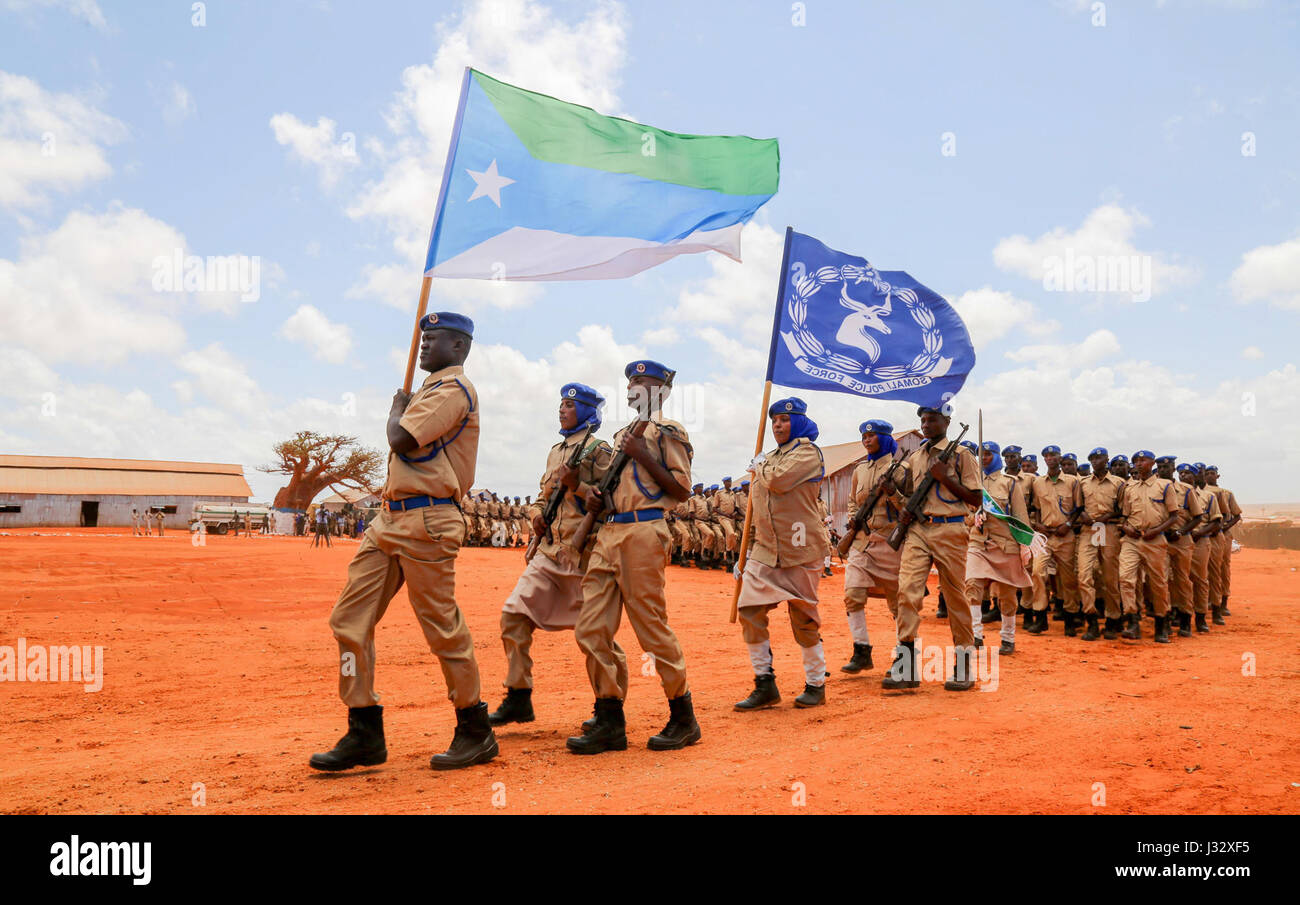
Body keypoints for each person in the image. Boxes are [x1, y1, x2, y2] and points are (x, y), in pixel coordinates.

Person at [310, 310, 495, 772]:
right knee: (348, 620)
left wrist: (397, 407)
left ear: (459, 348)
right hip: (389, 519)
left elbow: (403, 439)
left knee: (440, 627)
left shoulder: (454, 390)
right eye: (423, 338)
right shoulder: (431, 391)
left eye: (434, 339)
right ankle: (363, 729)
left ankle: (475, 728)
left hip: (429, 521)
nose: (424, 346)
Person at [568, 359, 699, 755]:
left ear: (661, 389)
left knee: (651, 628)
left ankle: (683, 716)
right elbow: (610, 489)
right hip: (609, 531)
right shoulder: (623, 433)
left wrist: (643, 454)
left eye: (641, 380)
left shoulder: (666, 432)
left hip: (644, 531)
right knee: (591, 628)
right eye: (630, 380)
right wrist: (590, 493)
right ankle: (609, 718)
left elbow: (680, 490)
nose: (632, 384)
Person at [489, 383, 616, 726]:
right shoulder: (556, 451)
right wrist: (535, 515)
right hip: (549, 552)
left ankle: (609, 709)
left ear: (588, 412)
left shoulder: (599, 450)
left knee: (595, 637)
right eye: (560, 405)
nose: (562, 410)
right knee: (514, 615)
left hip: (583, 555)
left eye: (569, 406)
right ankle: (518, 696)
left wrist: (576, 486)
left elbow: (609, 502)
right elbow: (543, 495)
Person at [733, 397, 830, 710]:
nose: (777, 425)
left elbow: (777, 481)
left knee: (803, 619)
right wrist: (743, 555)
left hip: (801, 549)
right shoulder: (769, 457)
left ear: (799, 422)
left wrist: (759, 464)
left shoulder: (807, 453)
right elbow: (757, 510)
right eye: (774, 420)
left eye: (784, 420)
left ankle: (816, 684)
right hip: (766, 550)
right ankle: (765, 684)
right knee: (748, 609)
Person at [885, 406, 982, 692]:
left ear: (947, 421)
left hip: (950, 529)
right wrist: (894, 493)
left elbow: (976, 499)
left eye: (932, 419)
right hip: (918, 530)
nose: (926, 424)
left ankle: (963, 665)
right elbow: (911, 494)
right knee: (907, 592)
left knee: (955, 598)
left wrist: (945, 477)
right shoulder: (916, 457)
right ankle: (906, 665)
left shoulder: (963, 455)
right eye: (923, 420)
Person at [838, 419, 902, 673]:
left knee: (899, 604)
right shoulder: (859, 470)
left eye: (872, 436)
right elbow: (853, 501)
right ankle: (861, 650)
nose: (866, 440)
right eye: (864, 437)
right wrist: (855, 519)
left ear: (885, 439)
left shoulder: (900, 469)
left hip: (891, 543)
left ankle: (902, 656)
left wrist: (893, 492)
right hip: (862, 542)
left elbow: (909, 507)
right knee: (852, 595)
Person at [965, 441, 1032, 655]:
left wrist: (1025, 546)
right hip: (979, 541)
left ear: (996, 456)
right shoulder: (973, 482)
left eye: (988, 454)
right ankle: (975, 635)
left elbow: (1021, 515)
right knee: (972, 584)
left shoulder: (1010, 484)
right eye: (980, 455)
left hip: (1006, 543)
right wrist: (973, 517)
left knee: (1007, 595)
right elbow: (964, 513)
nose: (983, 458)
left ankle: (1008, 637)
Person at [1116, 450, 1179, 642]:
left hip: (1155, 539)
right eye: (1136, 461)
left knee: (1158, 583)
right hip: (1132, 540)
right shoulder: (1130, 488)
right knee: (1126, 578)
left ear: (1152, 463)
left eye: (1143, 460)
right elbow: (1125, 516)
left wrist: (1157, 529)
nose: (1139, 463)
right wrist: (1126, 528)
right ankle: (1132, 621)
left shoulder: (1165, 486)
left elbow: (1174, 516)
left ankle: (1162, 622)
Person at [1027, 445, 1082, 636]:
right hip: (1044, 536)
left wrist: (1068, 524)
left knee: (1067, 579)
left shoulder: (1072, 482)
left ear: (1060, 457)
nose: (1050, 459)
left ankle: (1070, 618)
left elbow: (1078, 508)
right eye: (1047, 456)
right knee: (1037, 572)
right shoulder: (1038, 483)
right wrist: (1039, 524)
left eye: (1053, 455)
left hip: (1065, 535)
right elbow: (1036, 507)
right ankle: (1040, 617)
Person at [1076, 447, 1125, 640]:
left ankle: (1113, 618)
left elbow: (1123, 509)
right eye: (1092, 459)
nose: (1096, 461)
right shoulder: (1083, 483)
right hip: (1089, 530)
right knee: (1085, 574)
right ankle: (1091, 619)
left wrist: (1107, 516)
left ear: (1107, 460)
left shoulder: (1118, 483)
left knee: (1110, 577)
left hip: (1108, 529)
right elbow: (1077, 506)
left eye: (1099, 458)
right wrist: (1084, 516)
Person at [1203, 466, 1241, 623]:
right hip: (1203, 533)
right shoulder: (1197, 492)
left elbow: (1236, 515)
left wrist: (1224, 527)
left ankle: (1223, 602)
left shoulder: (1226, 493)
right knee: (1203, 569)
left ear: (1217, 476)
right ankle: (1206, 600)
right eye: (1207, 473)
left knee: (1222, 567)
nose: (1210, 476)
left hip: (1222, 535)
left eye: (1212, 473)